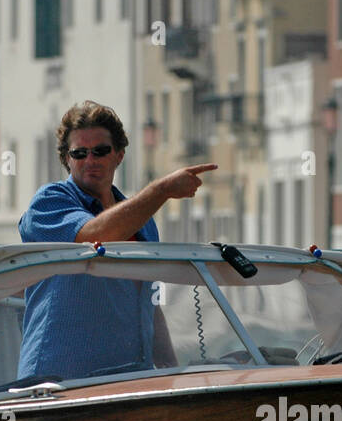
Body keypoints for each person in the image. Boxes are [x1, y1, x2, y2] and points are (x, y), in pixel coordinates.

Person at [16, 101, 218, 381]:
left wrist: (171, 371)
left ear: (119, 155)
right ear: (67, 159)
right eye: (79, 153)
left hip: (129, 380)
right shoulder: (48, 203)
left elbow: (149, 302)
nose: (90, 160)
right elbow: (92, 237)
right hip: (57, 384)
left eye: (100, 151)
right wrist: (161, 190)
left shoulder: (143, 221)